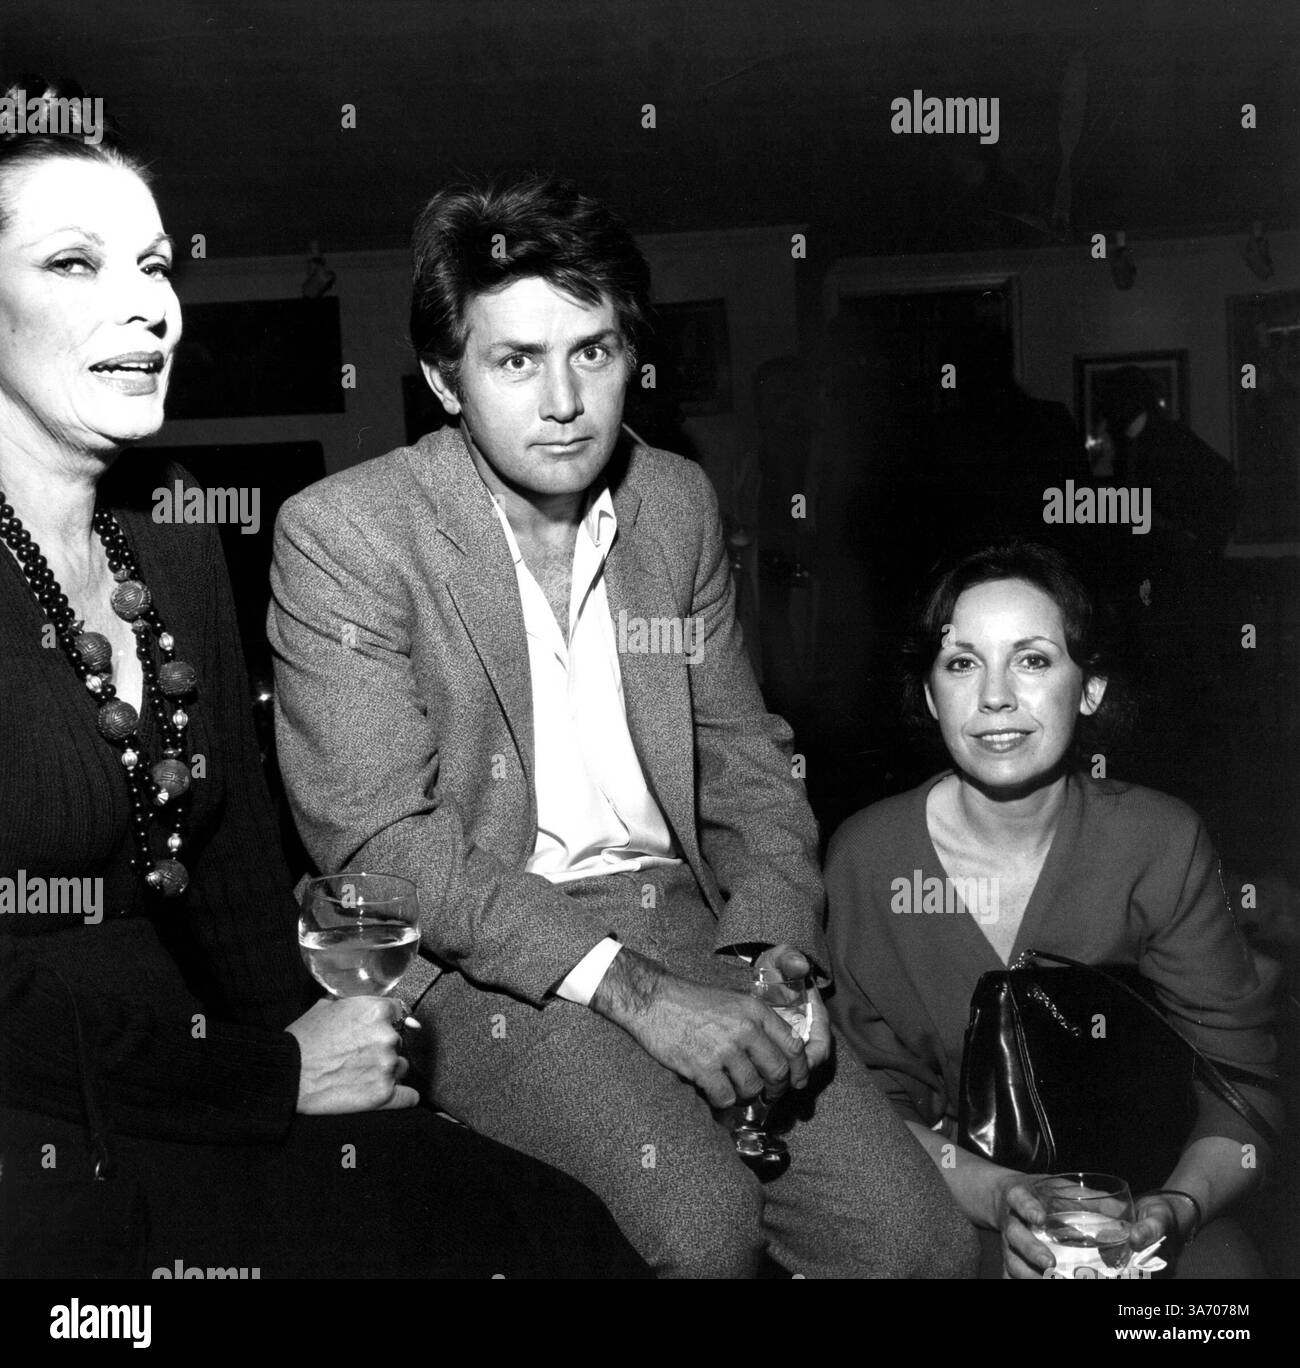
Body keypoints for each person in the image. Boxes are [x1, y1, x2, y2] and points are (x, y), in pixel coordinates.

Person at [269, 174, 976, 1278]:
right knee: (697, 1232)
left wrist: (778, 953)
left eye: (592, 352)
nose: (564, 401)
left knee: (917, 1238)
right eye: (516, 360)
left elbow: (747, 761)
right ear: (442, 380)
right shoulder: (344, 534)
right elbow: (380, 849)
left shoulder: (675, 502)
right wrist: (645, 1000)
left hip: (698, 926)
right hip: (489, 959)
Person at [0, 82, 649, 1279]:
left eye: (154, 265)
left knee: (553, 1236)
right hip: (45, 1127)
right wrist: (279, 1074)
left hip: (212, 1075)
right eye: (77, 264)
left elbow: (242, 897)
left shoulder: (180, 559)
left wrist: (329, 1056)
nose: (149, 305)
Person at [824, 540, 1280, 1278]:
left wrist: (1175, 1210)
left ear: (1090, 687)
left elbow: (1242, 1086)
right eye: (962, 663)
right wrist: (1001, 1196)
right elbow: (865, 1104)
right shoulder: (867, 857)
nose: (995, 696)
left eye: (1033, 660)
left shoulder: (1158, 841)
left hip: (1143, 1204)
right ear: (932, 694)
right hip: (940, 1205)